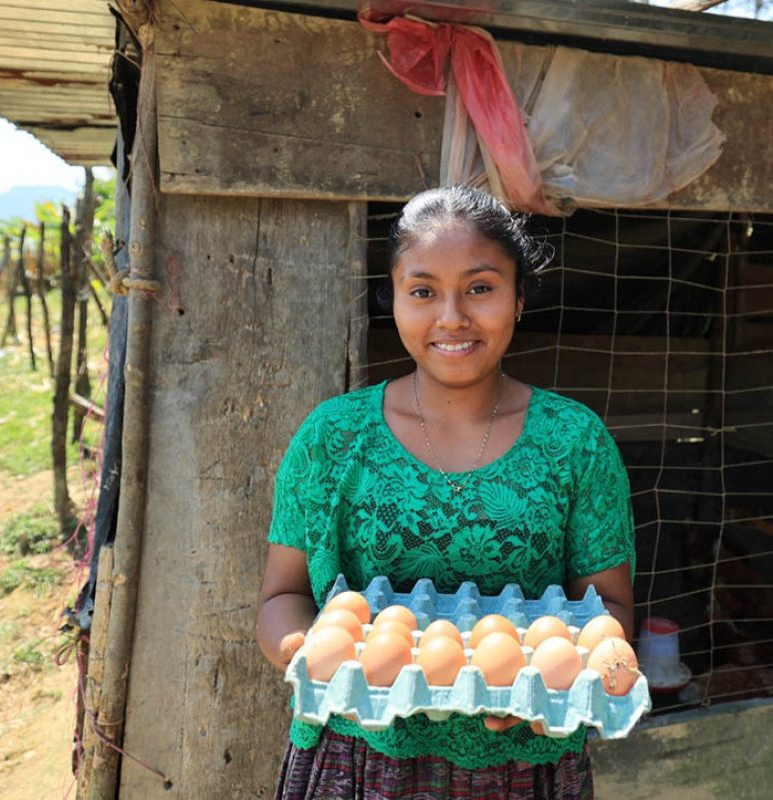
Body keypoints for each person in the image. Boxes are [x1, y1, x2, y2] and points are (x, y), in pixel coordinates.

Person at [256, 185, 635, 799]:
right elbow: (283, 595)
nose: (452, 317)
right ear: (394, 298)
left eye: (480, 288)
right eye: (424, 291)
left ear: (517, 298)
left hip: (524, 766)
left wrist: (549, 691)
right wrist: (322, 657)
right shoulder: (334, 438)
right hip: (358, 763)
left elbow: (608, 614)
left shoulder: (575, 443)